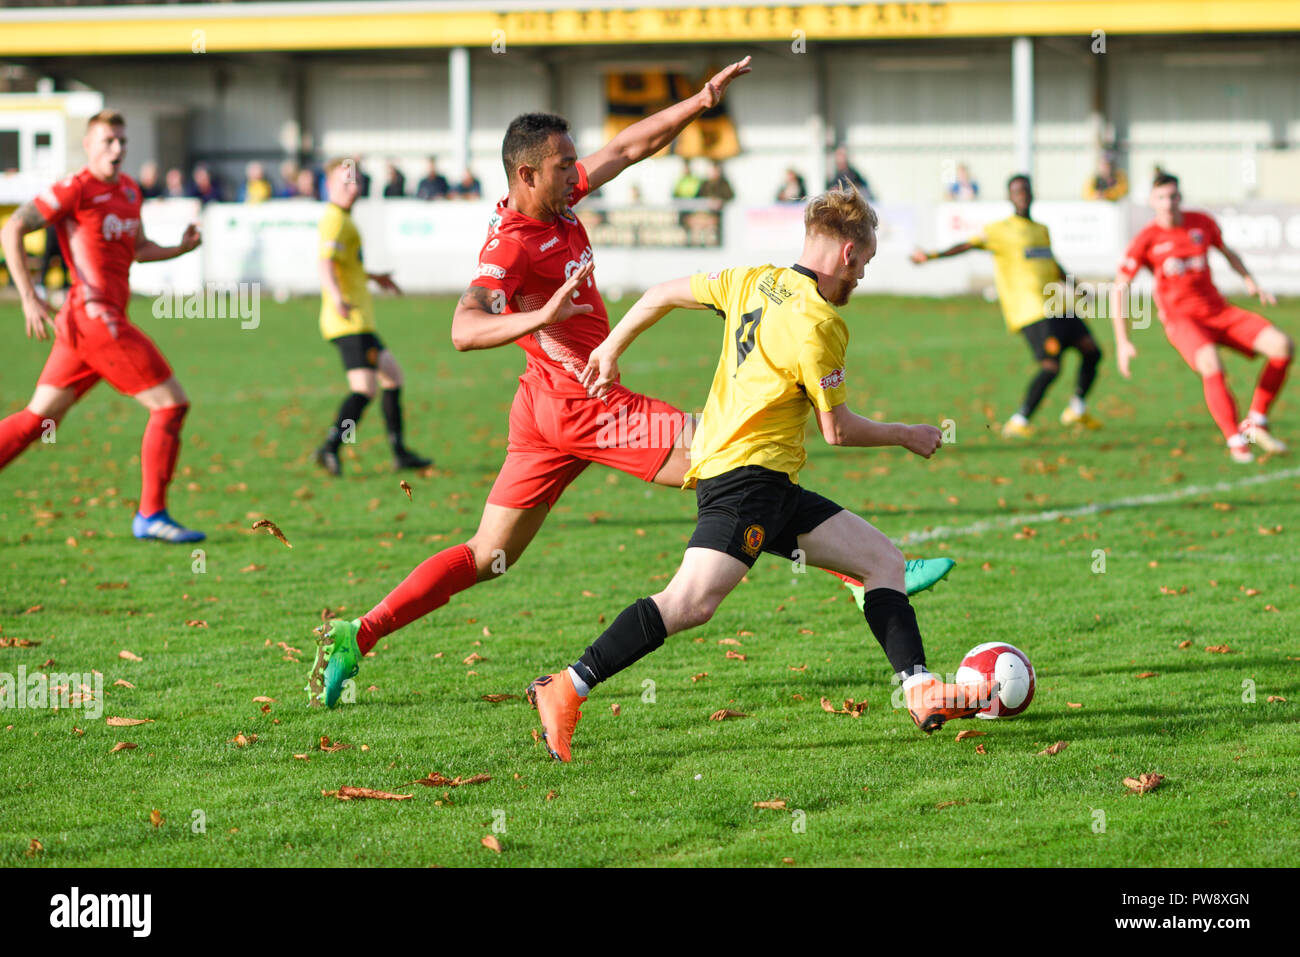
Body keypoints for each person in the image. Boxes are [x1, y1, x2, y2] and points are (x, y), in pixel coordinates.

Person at [303, 61, 961, 709]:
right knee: (730, 457)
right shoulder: (513, 243)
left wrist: (698, 101)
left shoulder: (557, 202)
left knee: (486, 554)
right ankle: (860, 569)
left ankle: (358, 632)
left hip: (542, 408)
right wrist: (541, 315)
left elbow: (626, 146)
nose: (578, 170)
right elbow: (463, 327)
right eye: (565, 165)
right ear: (527, 174)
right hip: (586, 405)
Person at [526, 184, 996, 761]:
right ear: (848, 252)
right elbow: (837, 430)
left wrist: (612, 347)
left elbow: (661, 293)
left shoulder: (751, 279)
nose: (863, 278)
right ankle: (567, 687)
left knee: (883, 561)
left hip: (768, 484)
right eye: (866, 263)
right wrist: (907, 434)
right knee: (690, 602)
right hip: (747, 481)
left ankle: (922, 691)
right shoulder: (819, 322)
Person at [0, 110, 206, 542]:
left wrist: (180, 249)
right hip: (95, 318)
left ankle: (151, 515)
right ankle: (151, 515)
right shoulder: (75, 188)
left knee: (39, 420)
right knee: (170, 404)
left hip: (91, 324)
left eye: (122, 141)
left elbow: (139, 248)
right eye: (108, 141)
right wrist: (29, 295)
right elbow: (14, 227)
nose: (117, 149)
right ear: (89, 145)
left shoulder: (130, 190)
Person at [1111, 172, 1292, 462]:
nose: (1168, 203)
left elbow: (1226, 251)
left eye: (1172, 196)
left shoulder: (1201, 223)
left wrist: (1250, 281)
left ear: (1180, 197)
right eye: (1161, 198)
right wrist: (1122, 341)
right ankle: (1236, 440)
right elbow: (1119, 289)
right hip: (1182, 319)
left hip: (1218, 311)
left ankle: (1256, 421)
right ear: (1151, 202)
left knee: (1282, 346)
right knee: (1210, 362)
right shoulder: (1146, 239)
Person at [912, 174, 1103, 437]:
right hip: (1031, 311)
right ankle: (1019, 421)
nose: (1022, 195)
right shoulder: (998, 230)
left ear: (1032, 194)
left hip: (1057, 306)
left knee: (1092, 351)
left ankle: (1077, 410)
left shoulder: (1041, 230)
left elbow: (1052, 264)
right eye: (1017, 191)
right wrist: (931, 255)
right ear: (1009, 197)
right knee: (1051, 366)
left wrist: (1078, 288)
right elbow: (966, 245)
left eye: (1025, 190)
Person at [313, 158, 432, 477]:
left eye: (355, 181)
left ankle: (399, 451)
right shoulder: (334, 220)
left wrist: (374, 276)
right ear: (329, 186)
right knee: (365, 389)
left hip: (358, 319)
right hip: (347, 320)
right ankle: (331, 446)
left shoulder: (344, 219)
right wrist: (337, 297)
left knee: (392, 377)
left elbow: (345, 264)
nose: (353, 188)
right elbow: (325, 263)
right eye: (344, 182)